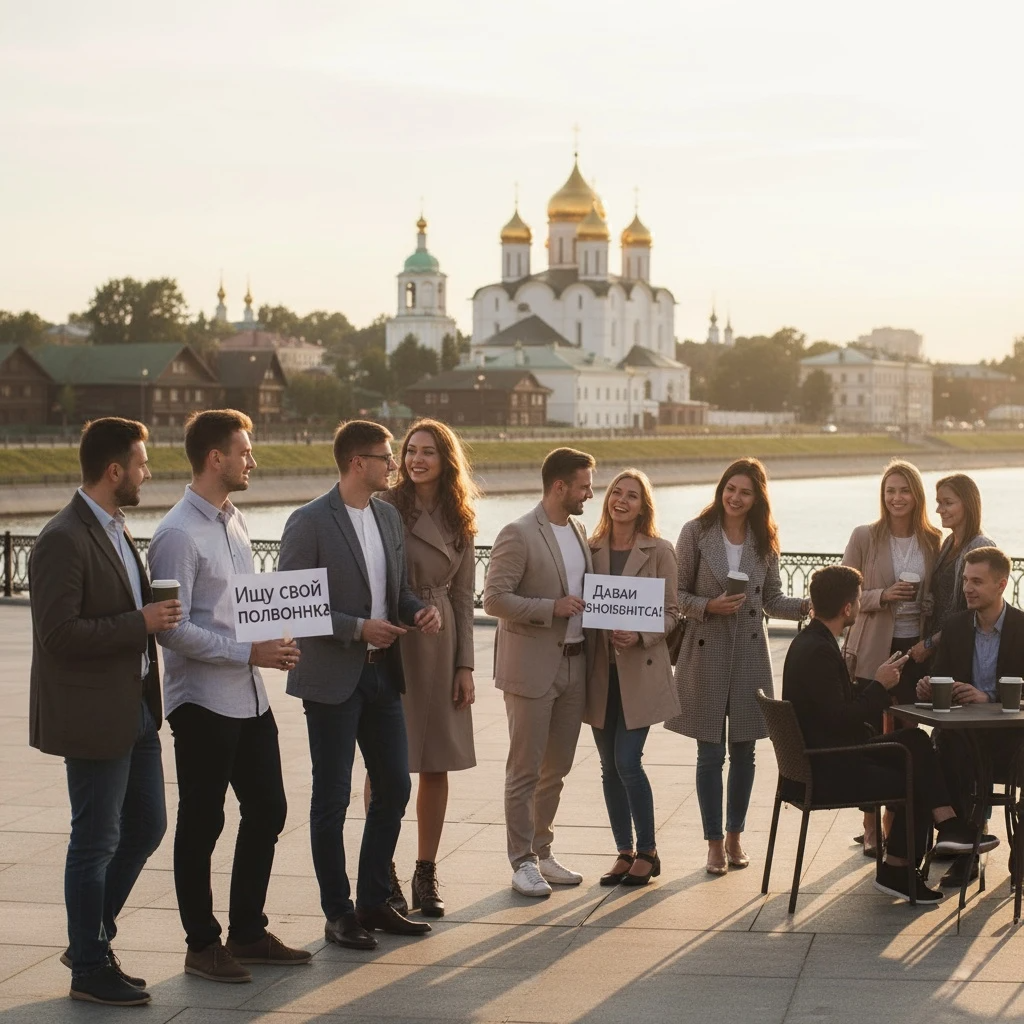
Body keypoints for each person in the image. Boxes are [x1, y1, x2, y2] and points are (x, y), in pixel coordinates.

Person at [148, 410, 311, 983]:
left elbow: (239, 610)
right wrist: (249, 653)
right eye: (244, 451)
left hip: (249, 696)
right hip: (202, 702)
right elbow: (169, 630)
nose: (252, 460)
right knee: (202, 820)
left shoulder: (233, 521)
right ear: (216, 458)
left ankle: (246, 932)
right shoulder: (175, 534)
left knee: (268, 808)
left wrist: (274, 637)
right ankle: (201, 945)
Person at [29, 417, 181, 1006]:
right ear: (115, 470)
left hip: (137, 709)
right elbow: (58, 635)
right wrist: (138, 622)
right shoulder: (61, 537)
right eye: (142, 464)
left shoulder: (118, 528)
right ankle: (89, 965)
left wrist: (151, 613)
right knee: (94, 840)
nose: (148, 473)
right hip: (95, 716)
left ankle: (91, 938)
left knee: (145, 825)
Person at [279, 420, 441, 950]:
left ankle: (374, 901)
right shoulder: (307, 522)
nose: (393, 464)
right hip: (330, 678)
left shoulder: (389, 517)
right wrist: (357, 628)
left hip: (381, 673)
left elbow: (400, 590)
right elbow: (296, 606)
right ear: (356, 463)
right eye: (386, 456)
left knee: (394, 784)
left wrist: (418, 612)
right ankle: (338, 912)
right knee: (331, 798)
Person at [782, 564, 995, 904]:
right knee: (914, 770)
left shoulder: (809, 642)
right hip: (827, 767)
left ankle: (947, 826)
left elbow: (835, 712)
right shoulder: (819, 651)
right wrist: (879, 686)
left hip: (823, 755)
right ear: (848, 608)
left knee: (915, 741)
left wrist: (875, 686)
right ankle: (900, 868)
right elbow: (842, 720)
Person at [666, 458, 809, 876]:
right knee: (709, 754)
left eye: (745, 491)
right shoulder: (694, 532)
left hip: (749, 655)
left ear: (756, 497)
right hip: (705, 649)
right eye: (730, 487)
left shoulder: (764, 539)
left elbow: (771, 599)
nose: (735, 496)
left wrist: (807, 606)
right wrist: (708, 606)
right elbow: (673, 593)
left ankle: (735, 837)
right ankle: (713, 844)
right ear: (721, 488)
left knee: (745, 753)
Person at [373, 419, 479, 917]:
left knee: (436, 761)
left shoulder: (461, 517)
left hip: (442, 644)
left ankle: (425, 872)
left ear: (446, 460)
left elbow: (462, 596)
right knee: (386, 761)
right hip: (398, 637)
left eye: (428, 452)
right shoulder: (385, 507)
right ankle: (382, 870)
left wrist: (465, 666)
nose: (416, 460)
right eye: (410, 450)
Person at [483, 447, 596, 897]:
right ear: (559, 486)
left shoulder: (581, 530)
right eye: (584, 485)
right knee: (524, 769)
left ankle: (542, 852)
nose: (590, 493)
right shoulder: (518, 533)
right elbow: (493, 599)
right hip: (530, 670)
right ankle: (521, 861)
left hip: (575, 665)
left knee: (558, 769)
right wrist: (552, 608)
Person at [585, 469, 680, 887]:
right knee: (608, 766)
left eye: (633, 496)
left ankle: (649, 850)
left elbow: (674, 612)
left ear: (644, 506)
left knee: (627, 761)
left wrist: (640, 632)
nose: (622, 501)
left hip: (639, 671)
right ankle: (623, 851)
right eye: (617, 493)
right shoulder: (589, 548)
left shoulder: (659, 550)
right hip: (599, 673)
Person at [842, 459, 941, 853]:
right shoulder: (865, 536)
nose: (897, 498)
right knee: (869, 738)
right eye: (890, 491)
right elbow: (844, 596)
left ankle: (894, 821)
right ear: (882, 496)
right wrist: (883, 595)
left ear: (916, 495)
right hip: (873, 651)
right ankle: (869, 827)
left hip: (915, 651)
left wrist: (928, 603)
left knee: (907, 737)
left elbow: (937, 594)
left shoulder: (933, 541)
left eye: (904, 490)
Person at [917, 546, 1024, 887]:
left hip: (1013, 741)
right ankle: (967, 853)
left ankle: (1021, 851)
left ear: (1001, 585)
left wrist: (988, 696)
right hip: (965, 738)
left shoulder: (1023, 627)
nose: (968, 588)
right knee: (943, 751)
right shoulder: (955, 626)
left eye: (977, 581)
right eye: (966, 580)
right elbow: (942, 674)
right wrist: (928, 687)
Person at [913, 474, 994, 667]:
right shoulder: (948, 542)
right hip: (940, 646)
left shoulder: (981, 545)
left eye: (947, 503)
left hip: (960, 649)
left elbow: (976, 611)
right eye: (939, 503)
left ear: (967, 503)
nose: (939, 510)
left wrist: (930, 643)